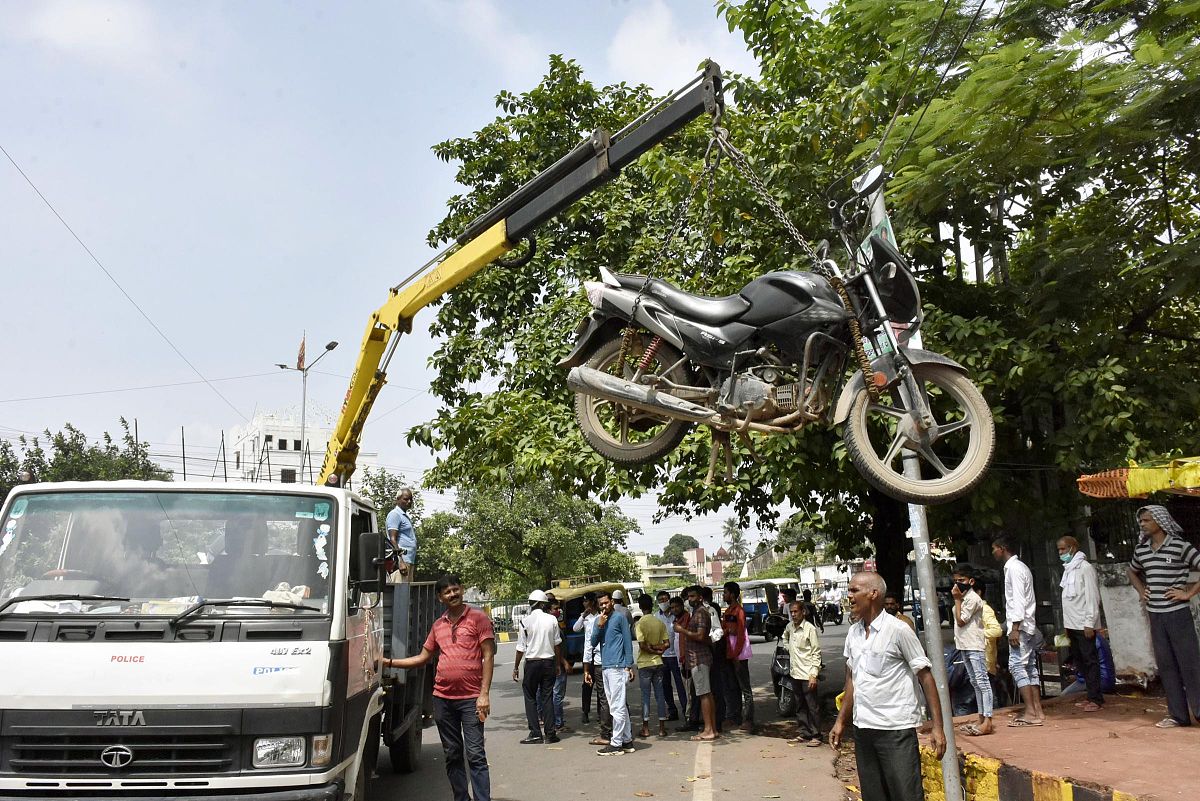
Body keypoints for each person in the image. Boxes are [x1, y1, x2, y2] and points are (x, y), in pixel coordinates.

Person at [831, 572, 946, 801]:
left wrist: (937, 727)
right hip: (864, 730)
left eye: (855, 590)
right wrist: (841, 721)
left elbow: (925, 677)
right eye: (849, 590)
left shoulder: (898, 630)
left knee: (906, 795)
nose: (849, 596)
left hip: (895, 732)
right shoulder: (854, 633)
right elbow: (853, 679)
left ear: (873, 594)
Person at [384, 574, 494, 801]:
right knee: (452, 754)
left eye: (455, 589)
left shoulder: (478, 618)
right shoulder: (438, 626)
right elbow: (422, 658)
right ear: (440, 597)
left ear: (462, 590)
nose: (452, 594)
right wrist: (388, 662)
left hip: (472, 699)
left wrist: (484, 694)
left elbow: (488, 655)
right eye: (447, 592)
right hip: (442, 700)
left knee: (475, 754)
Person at [1127, 504, 1200, 728]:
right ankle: (1178, 715)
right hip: (1155, 615)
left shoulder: (1180, 546)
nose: (1143, 524)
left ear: (1159, 521)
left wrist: (1187, 593)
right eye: (1141, 521)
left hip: (1178, 614)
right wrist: (1142, 591)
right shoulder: (1142, 550)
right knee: (1166, 665)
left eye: (1147, 520)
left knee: (1190, 664)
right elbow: (1131, 571)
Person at [992, 534, 1044, 727]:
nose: (993, 552)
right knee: (1029, 667)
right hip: (1026, 625)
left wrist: (1014, 628)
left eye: (994, 548)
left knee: (1016, 666)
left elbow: (1019, 601)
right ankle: (1036, 710)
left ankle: (1031, 711)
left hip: (1021, 626)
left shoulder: (1013, 569)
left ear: (1002, 548)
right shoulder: (1019, 567)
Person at [513, 589, 567, 744]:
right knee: (547, 696)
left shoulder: (525, 621)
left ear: (531, 604)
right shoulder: (552, 620)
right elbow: (557, 644)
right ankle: (550, 734)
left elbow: (520, 648)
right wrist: (557, 664)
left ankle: (535, 733)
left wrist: (516, 667)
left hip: (532, 663)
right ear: (544, 604)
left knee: (530, 696)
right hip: (548, 662)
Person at [1057, 535, 1104, 712]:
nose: (1061, 553)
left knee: (1090, 660)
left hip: (1084, 623)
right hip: (1072, 623)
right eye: (1059, 550)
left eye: (1063, 549)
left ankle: (1096, 698)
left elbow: (1092, 597)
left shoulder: (1085, 568)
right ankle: (1089, 694)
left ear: (1073, 547)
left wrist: (1089, 623)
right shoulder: (1068, 569)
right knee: (1080, 661)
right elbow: (1067, 600)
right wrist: (1066, 626)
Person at [951, 564, 993, 736]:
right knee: (975, 682)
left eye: (961, 580)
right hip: (963, 644)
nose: (958, 584)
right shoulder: (963, 598)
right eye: (956, 581)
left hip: (974, 644)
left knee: (982, 681)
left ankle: (988, 719)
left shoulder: (972, 598)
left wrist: (957, 600)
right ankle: (981, 717)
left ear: (971, 581)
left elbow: (961, 620)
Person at [591, 590, 635, 755]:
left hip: (618, 667)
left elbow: (628, 642)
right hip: (605, 667)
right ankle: (627, 740)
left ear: (611, 602)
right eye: (601, 604)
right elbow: (593, 642)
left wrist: (629, 665)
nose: (604, 606)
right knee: (618, 705)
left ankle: (616, 743)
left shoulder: (620, 618)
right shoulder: (599, 620)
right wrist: (599, 625)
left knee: (616, 706)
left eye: (606, 602)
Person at [675, 585, 719, 742]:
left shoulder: (700, 613)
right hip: (697, 658)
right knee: (705, 693)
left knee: (704, 694)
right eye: (688, 597)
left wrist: (682, 630)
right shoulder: (698, 612)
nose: (689, 599)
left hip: (699, 659)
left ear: (700, 597)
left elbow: (700, 636)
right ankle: (711, 728)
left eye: (693, 596)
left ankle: (709, 730)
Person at [783, 600, 822, 746]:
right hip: (795, 673)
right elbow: (784, 637)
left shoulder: (809, 629)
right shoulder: (789, 627)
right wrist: (788, 648)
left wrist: (813, 674)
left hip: (807, 674)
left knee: (812, 706)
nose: (793, 614)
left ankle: (816, 735)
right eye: (791, 612)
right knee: (799, 705)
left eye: (796, 611)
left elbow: (816, 652)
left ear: (803, 612)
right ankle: (803, 732)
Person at [721, 581, 755, 732]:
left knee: (744, 688)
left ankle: (748, 720)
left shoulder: (738, 611)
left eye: (725, 592)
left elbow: (740, 634)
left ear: (732, 594)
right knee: (732, 687)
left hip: (739, 654)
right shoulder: (728, 611)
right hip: (730, 652)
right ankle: (735, 716)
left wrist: (735, 655)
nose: (724, 595)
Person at [634, 594, 669, 737]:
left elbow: (642, 646)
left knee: (645, 696)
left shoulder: (639, 624)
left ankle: (646, 728)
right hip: (658, 662)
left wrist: (651, 648)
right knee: (660, 695)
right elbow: (667, 643)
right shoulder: (659, 622)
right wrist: (658, 650)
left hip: (644, 664)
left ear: (641, 607)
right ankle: (661, 728)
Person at [700, 585, 728, 727]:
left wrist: (709, 641)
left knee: (713, 688)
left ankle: (717, 721)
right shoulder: (695, 612)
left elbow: (718, 631)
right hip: (699, 655)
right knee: (703, 689)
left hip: (711, 652)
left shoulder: (710, 611)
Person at [655, 590, 685, 721]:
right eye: (660, 600)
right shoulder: (656, 617)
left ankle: (686, 711)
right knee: (665, 685)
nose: (663, 602)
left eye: (665, 599)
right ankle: (672, 710)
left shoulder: (676, 616)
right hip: (663, 656)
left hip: (676, 655)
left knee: (681, 684)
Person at [573, 592, 602, 726]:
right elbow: (575, 628)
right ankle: (585, 711)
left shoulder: (601, 615)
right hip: (588, 655)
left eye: (586, 601)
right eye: (583, 602)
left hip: (599, 655)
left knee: (601, 686)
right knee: (587, 685)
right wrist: (583, 615)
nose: (585, 604)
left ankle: (601, 713)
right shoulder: (585, 617)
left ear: (592, 602)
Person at [546, 593, 570, 732]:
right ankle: (558, 722)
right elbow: (556, 648)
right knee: (557, 695)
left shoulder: (553, 624)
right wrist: (563, 662)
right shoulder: (552, 625)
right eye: (555, 608)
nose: (558, 611)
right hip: (556, 665)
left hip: (552, 664)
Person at [385, 488, 417, 582]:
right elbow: (392, 539)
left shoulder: (404, 516)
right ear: (398, 499)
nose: (409, 501)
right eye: (406, 499)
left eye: (411, 499)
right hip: (402, 561)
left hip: (409, 560)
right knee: (400, 593)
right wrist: (400, 561)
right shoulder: (395, 514)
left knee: (407, 593)